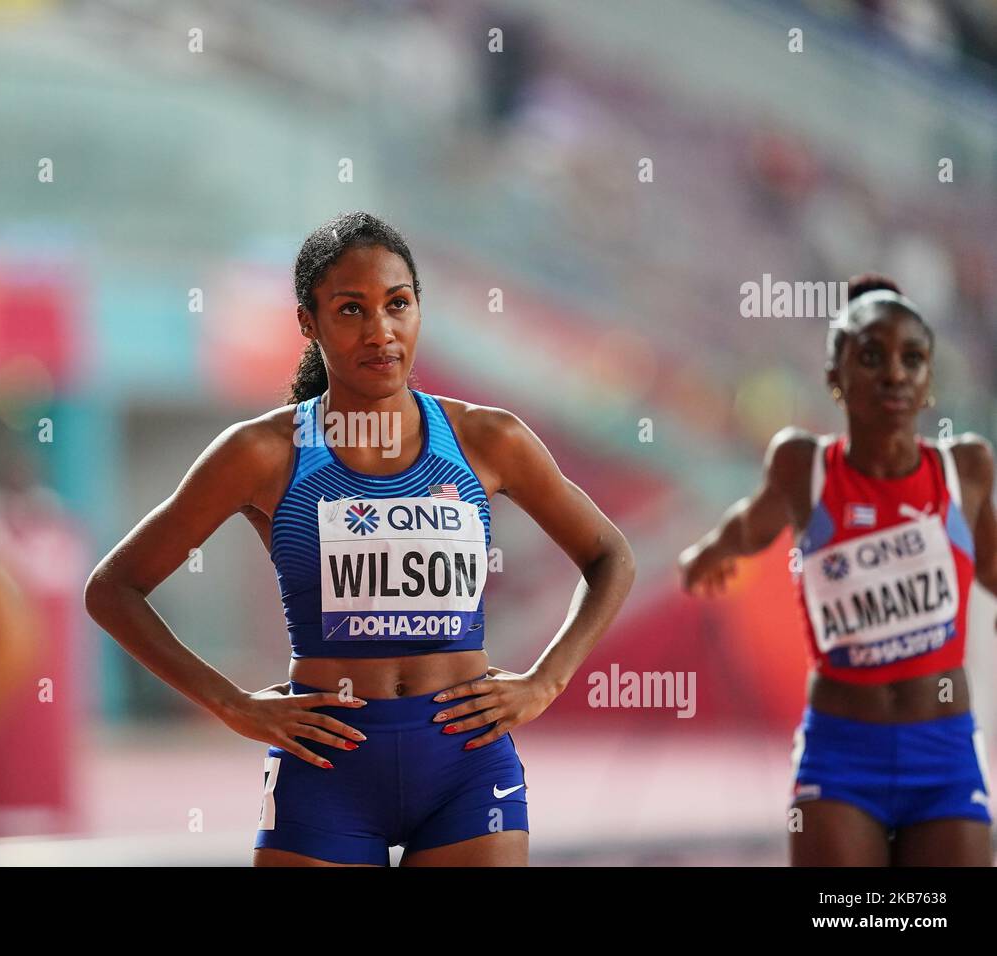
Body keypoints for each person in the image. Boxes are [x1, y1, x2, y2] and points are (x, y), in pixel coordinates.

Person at [87, 211, 634, 866]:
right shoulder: (262, 454)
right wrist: (230, 704)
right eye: (351, 310)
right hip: (326, 766)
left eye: (397, 304)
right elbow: (113, 590)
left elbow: (609, 556)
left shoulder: (490, 440)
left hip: (465, 762)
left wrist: (547, 681)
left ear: (418, 310)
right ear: (308, 323)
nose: (381, 332)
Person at [679, 274, 995, 866]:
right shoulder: (804, 468)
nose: (894, 374)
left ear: (928, 383)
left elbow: (995, 568)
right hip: (842, 755)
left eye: (913, 358)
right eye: (870, 356)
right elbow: (751, 524)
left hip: (944, 751)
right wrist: (711, 552)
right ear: (835, 378)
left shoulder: (967, 469)